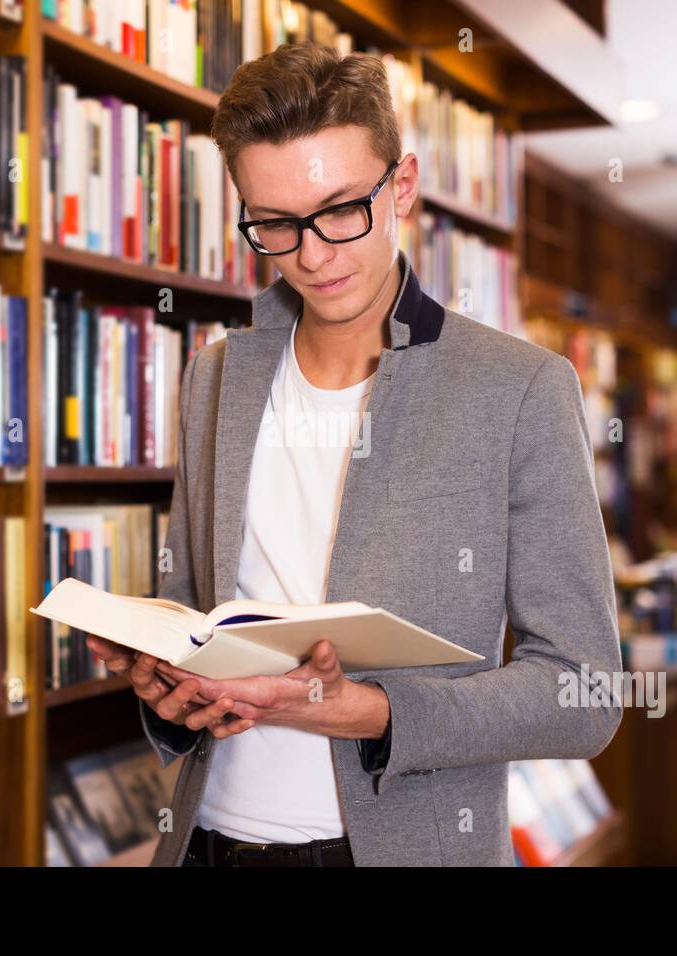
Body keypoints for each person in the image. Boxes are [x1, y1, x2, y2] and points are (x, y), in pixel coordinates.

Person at [84, 42, 623, 867]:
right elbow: (192, 612)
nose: (312, 254)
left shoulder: (519, 389)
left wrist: (365, 711)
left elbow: (585, 694)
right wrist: (169, 690)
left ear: (401, 185)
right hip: (206, 843)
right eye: (273, 223)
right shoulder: (215, 377)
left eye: (341, 210)